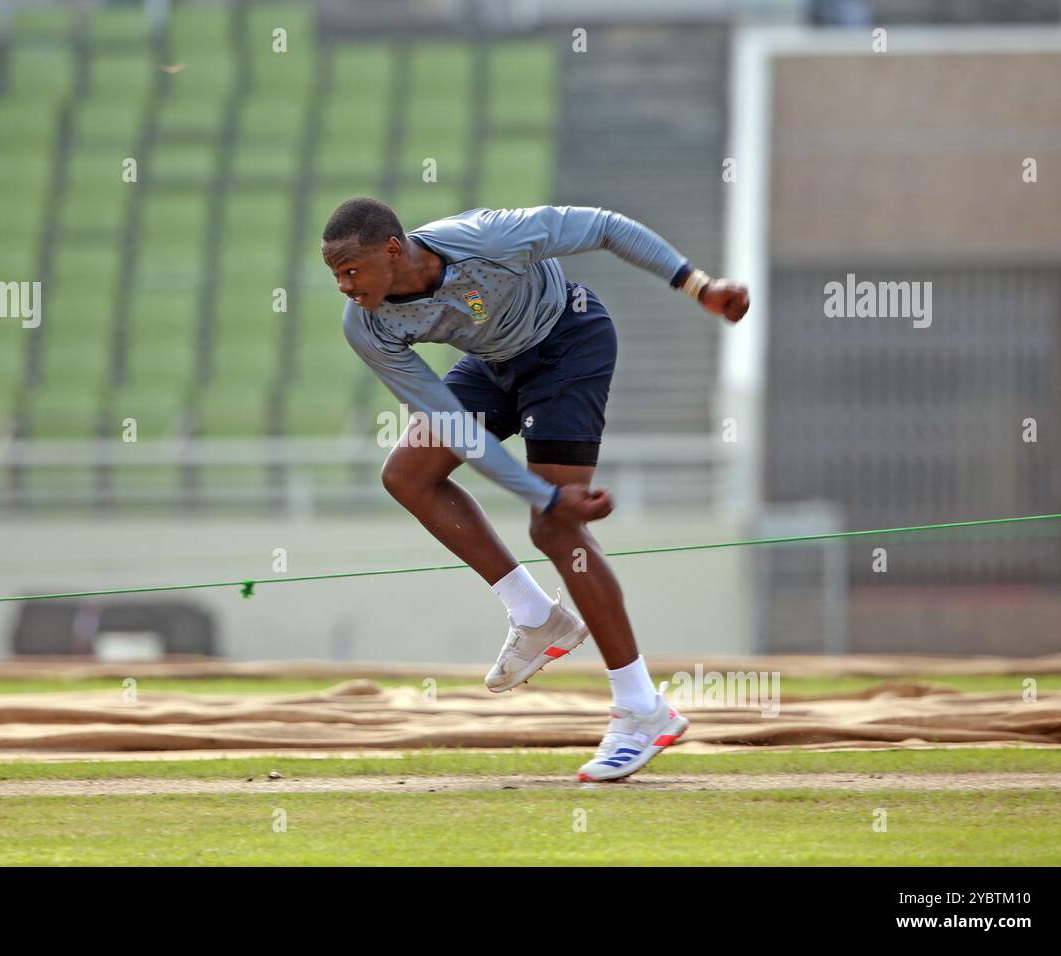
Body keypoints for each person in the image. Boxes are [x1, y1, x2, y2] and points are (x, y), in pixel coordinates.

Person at [320, 199, 748, 781]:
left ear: (392, 250)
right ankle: (535, 615)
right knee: (407, 474)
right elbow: (446, 420)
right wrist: (538, 490)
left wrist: (697, 285)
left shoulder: (487, 239)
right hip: (492, 363)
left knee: (554, 529)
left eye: (352, 270)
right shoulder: (366, 324)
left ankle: (643, 708)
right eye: (335, 275)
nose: (344, 286)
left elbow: (604, 226)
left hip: (567, 344)